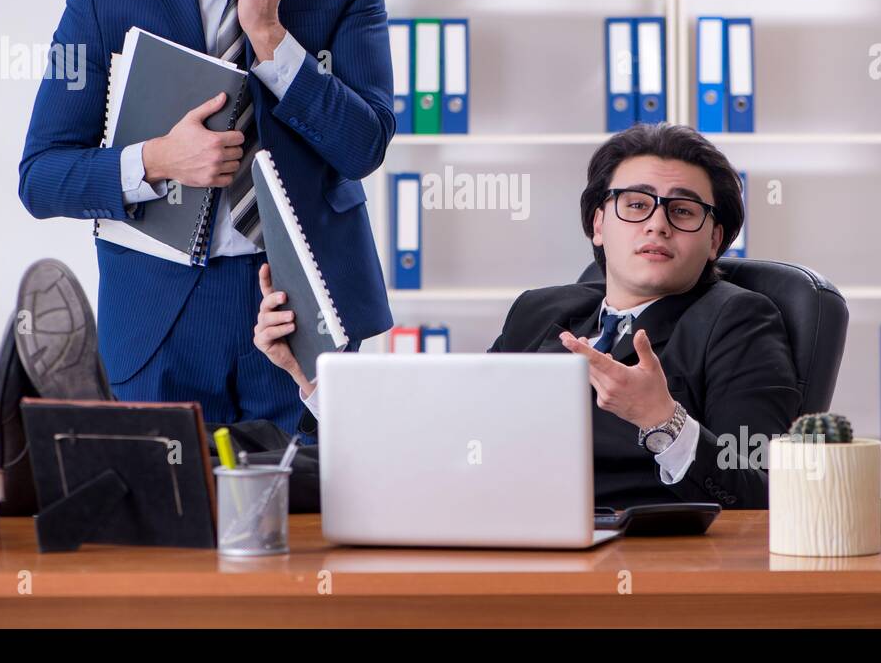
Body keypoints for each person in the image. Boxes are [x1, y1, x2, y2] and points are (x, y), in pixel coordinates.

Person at [19, 0, 393, 433]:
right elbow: (41, 176)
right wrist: (158, 159)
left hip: (300, 306)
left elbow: (363, 146)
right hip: (160, 314)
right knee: (175, 519)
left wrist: (272, 38)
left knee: (312, 517)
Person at [255, 123, 802, 509]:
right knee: (261, 458)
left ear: (715, 241)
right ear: (597, 224)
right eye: (636, 204)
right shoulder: (543, 309)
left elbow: (757, 492)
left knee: (281, 481)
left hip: (621, 557)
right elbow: (451, 433)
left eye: (683, 211)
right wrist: (311, 377)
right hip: (482, 515)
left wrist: (662, 421)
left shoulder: (740, 321)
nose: (656, 224)